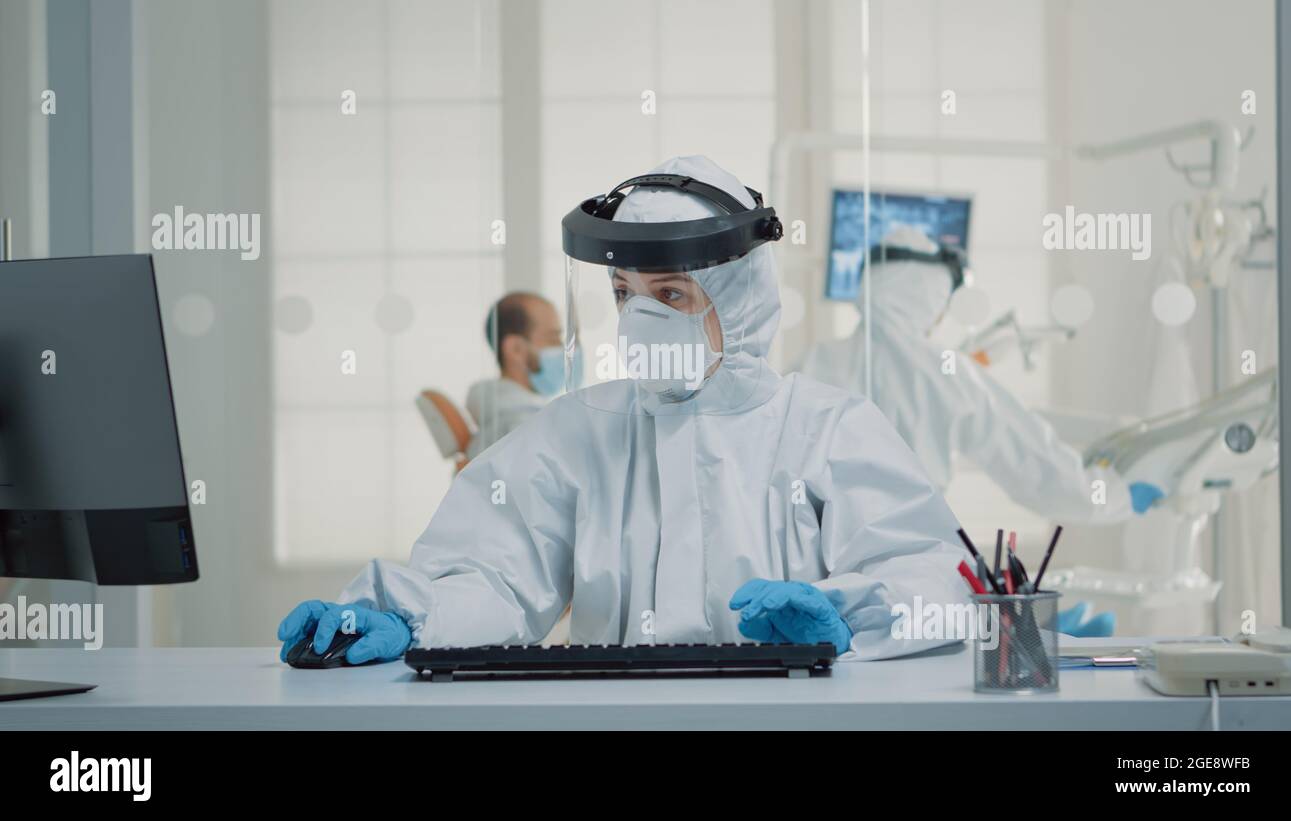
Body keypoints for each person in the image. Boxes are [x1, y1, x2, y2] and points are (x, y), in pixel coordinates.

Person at [279, 156, 972, 666]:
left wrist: (848, 615)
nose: (639, 321)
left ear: (740, 298)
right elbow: (494, 570)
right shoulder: (581, 430)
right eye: (623, 294)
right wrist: (408, 613)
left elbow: (935, 573)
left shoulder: (827, 428)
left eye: (669, 296)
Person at [799, 230, 1165, 526]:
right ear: (926, 295)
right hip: (905, 552)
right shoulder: (948, 372)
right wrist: (1113, 497)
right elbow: (1030, 462)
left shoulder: (811, 362)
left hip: (815, 553)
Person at [464, 292, 565, 460]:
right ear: (516, 349)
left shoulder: (501, 417)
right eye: (553, 339)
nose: (564, 349)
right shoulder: (522, 424)